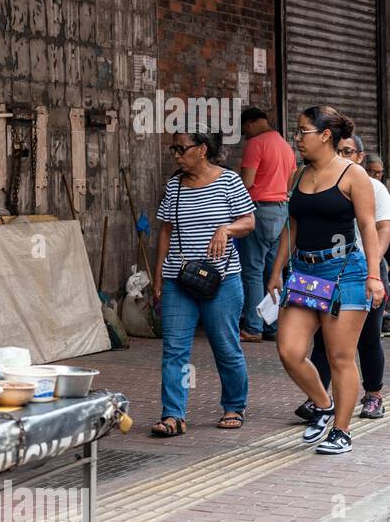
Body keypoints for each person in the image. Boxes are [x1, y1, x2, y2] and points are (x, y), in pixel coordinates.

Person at [269, 106, 385, 455]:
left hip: (345, 272)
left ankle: (342, 431)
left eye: (302, 131)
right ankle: (323, 404)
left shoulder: (354, 175)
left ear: (324, 136)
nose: (297, 138)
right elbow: (293, 227)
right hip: (304, 272)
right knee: (289, 350)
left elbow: (368, 226)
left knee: (339, 356)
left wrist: (374, 276)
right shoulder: (298, 176)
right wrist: (276, 270)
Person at [151, 129, 255, 437]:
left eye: (182, 148)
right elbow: (166, 232)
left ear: (203, 149)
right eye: (175, 149)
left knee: (225, 346)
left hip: (221, 280)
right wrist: (158, 276)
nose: (177, 155)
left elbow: (249, 221)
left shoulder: (228, 181)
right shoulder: (175, 186)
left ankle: (235, 405)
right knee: (174, 350)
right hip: (178, 278)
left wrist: (226, 229)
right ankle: (173, 415)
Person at [301, 132, 390, 420]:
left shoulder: (374, 188)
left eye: (349, 152)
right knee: (324, 341)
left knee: (368, 338)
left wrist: (372, 268)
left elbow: (382, 229)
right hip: (326, 270)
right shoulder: (316, 179)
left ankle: (373, 395)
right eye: (339, 151)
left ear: (360, 157)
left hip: (365, 271)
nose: (343, 156)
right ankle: (320, 398)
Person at [237, 107, 296, 342]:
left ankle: (252, 327)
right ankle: (272, 326)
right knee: (273, 272)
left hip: (259, 210)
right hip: (281, 210)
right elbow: (290, 181)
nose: (245, 134)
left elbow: (247, 183)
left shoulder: (256, 143)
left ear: (250, 124)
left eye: (244, 130)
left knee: (252, 271)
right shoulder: (285, 146)